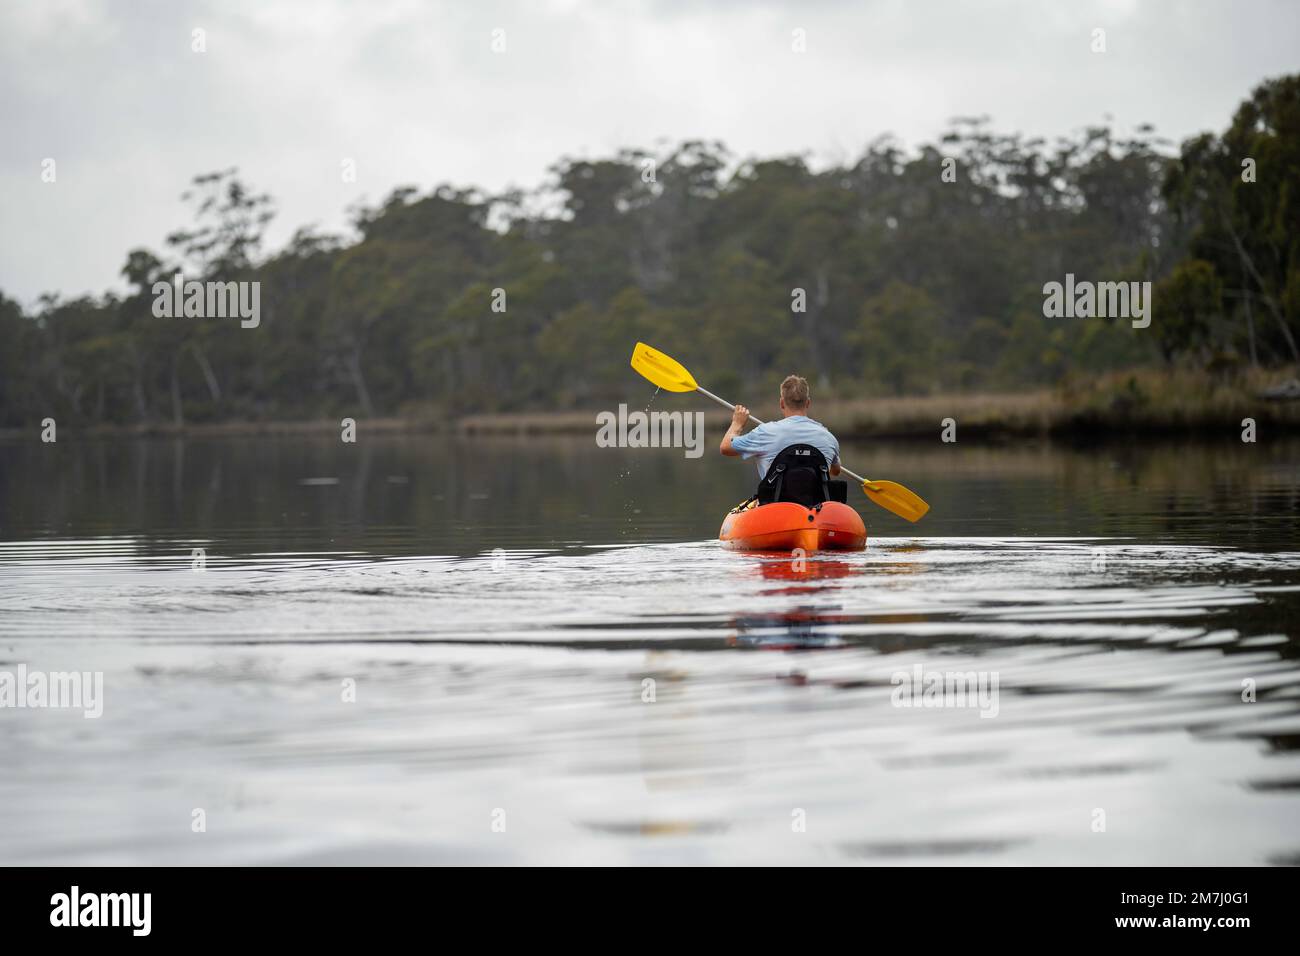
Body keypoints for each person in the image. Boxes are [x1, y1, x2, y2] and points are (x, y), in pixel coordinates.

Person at [720, 374, 841, 480]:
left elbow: (725, 447)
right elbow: (835, 471)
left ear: (782, 403)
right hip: (815, 504)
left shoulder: (765, 432)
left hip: (776, 503)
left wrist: (737, 424)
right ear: (808, 403)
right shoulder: (828, 437)